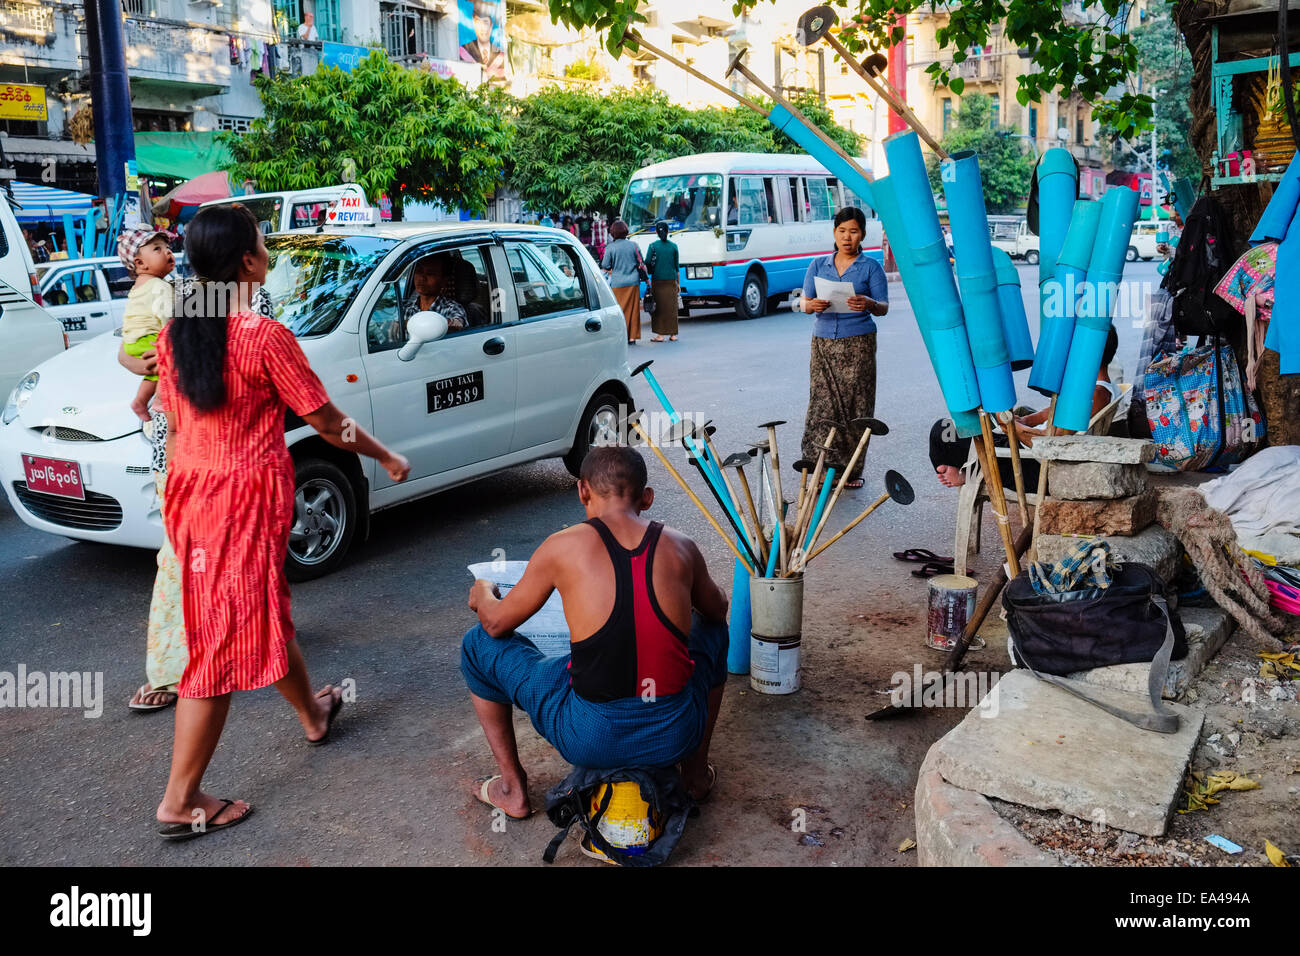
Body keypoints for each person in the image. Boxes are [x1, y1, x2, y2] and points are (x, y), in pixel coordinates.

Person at [151, 204, 410, 840]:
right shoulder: (264, 338)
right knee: (216, 646)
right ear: (247, 260)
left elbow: (179, 429)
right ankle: (180, 800)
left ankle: (312, 715)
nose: (268, 252)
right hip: (240, 505)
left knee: (264, 605)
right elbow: (327, 423)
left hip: (193, 498)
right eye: (263, 244)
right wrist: (384, 454)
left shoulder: (179, 331)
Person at [460, 446, 729, 819]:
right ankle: (695, 777)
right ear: (647, 498)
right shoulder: (682, 545)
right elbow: (717, 610)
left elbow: (496, 623)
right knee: (713, 631)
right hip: (674, 734)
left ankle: (512, 789)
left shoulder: (561, 547)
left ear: (582, 491)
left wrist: (483, 594)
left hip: (589, 737)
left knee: (477, 645)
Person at [930, 324, 1122, 491]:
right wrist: (1024, 421)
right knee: (966, 422)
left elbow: (1051, 444)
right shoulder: (1095, 388)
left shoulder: (1096, 395)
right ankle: (964, 471)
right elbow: (1054, 413)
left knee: (944, 430)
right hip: (1027, 447)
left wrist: (1012, 428)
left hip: (1030, 462)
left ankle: (964, 474)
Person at [800, 207, 889, 490]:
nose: (847, 237)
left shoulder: (870, 267)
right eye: (842, 231)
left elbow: (884, 306)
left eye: (853, 231)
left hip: (858, 345)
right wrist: (810, 306)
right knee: (821, 406)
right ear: (834, 232)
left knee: (856, 406)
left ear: (862, 234)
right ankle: (818, 467)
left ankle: (850, 470)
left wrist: (870, 303)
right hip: (823, 343)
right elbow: (803, 302)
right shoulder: (818, 265)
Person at [117, 227, 177, 423]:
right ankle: (159, 399)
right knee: (166, 363)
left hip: (131, 342)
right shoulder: (160, 286)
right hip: (148, 338)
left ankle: (140, 402)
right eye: (158, 249)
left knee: (154, 372)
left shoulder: (137, 286)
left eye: (168, 247)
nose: (167, 252)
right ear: (140, 263)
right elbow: (167, 318)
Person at [601, 218, 647, 345]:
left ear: (613, 232)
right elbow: (641, 261)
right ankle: (632, 337)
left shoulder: (610, 247)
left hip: (617, 283)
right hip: (633, 282)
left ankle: (622, 335)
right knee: (633, 310)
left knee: (620, 311)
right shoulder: (633, 245)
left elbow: (605, 265)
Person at [645, 221, 680, 343]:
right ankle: (673, 334)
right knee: (671, 308)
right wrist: (678, 283)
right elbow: (677, 268)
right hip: (671, 281)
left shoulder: (653, 246)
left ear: (656, 232)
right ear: (668, 231)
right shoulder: (674, 246)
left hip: (657, 280)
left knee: (659, 309)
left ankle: (660, 335)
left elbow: (647, 262)